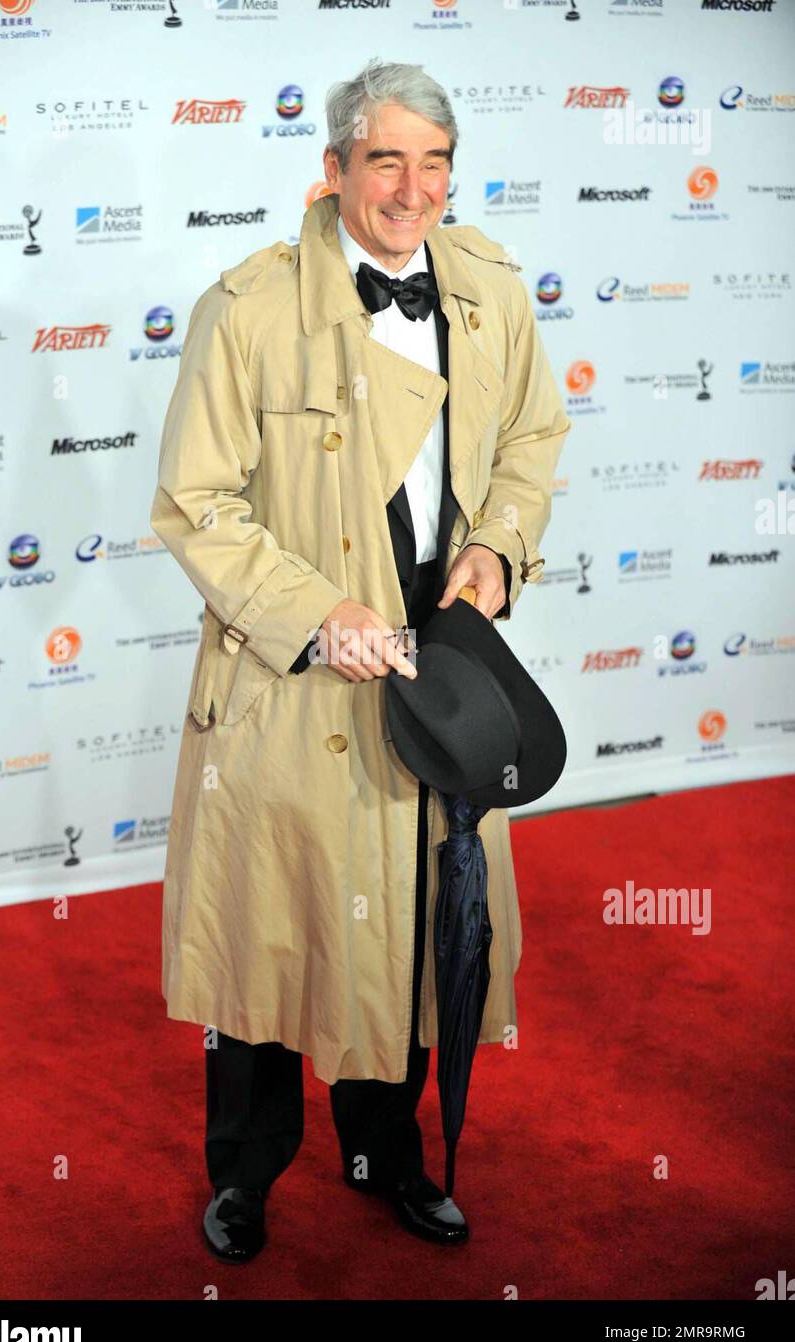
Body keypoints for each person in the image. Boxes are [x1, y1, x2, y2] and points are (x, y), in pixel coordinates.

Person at [150, 58, 570, 1263]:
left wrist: (497, 544)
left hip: (438, 673)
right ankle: (244, 1177)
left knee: (415, 934)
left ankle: (388, 1157)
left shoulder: (489, 288)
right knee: (270, 944)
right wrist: (313, 607)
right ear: (331, 169)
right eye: (384, 159)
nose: (411, 189)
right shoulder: (248, 308)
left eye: (433, 161)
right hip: (293, 681)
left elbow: (534, 435)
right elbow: (195, 502)